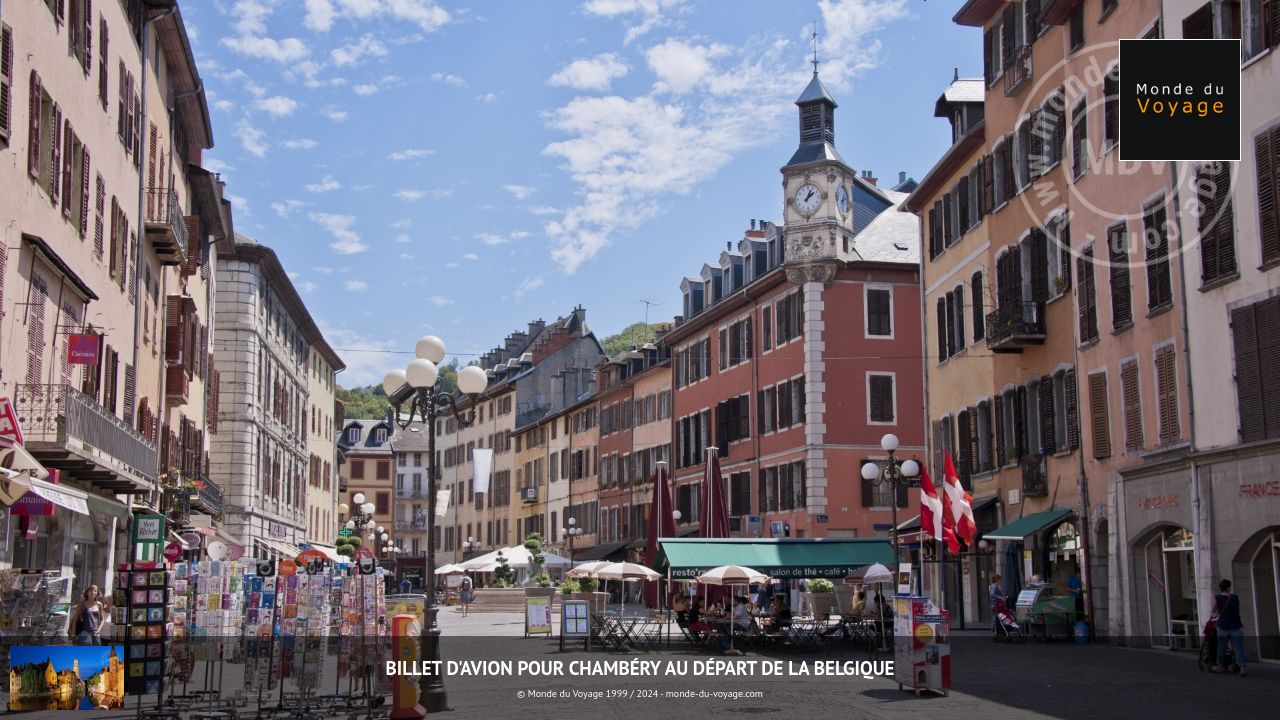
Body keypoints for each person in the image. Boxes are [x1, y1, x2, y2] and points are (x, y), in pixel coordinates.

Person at [1213, 579, 1247, 676]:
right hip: (1236, 625)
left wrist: (1214, 615)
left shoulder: (1217, 597)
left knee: (1221, 647)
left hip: (1223, 626)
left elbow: (1213, 610)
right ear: (1228, 587)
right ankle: (1242, 668)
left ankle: (1220, 666)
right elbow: (1238, 610)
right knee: (1238, 647)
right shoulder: (1235, 597)